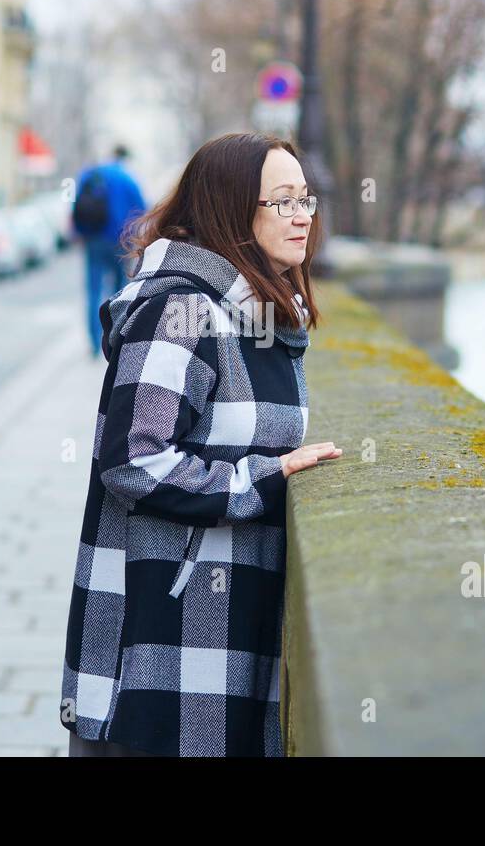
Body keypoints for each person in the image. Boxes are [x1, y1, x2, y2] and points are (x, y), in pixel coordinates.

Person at [59, 131, 342, 757]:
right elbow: (132, 461)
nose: (302, 217)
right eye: (282, 202)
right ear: (230, 210)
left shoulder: (254, 310)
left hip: (218, 628)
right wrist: (262, 481)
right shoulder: (183, 310)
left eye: (306, 199)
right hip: (168, 637)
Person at [72, 144, 148, 357]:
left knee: (93, 291)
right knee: (119, 293)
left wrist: (79, 232)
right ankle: (114, 340)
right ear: (125, 157)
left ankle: (94, 344)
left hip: (93, 240)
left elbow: (75, 203)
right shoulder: (127, 178)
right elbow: (142, 210)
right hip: (120, 243)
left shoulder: (90, 174)